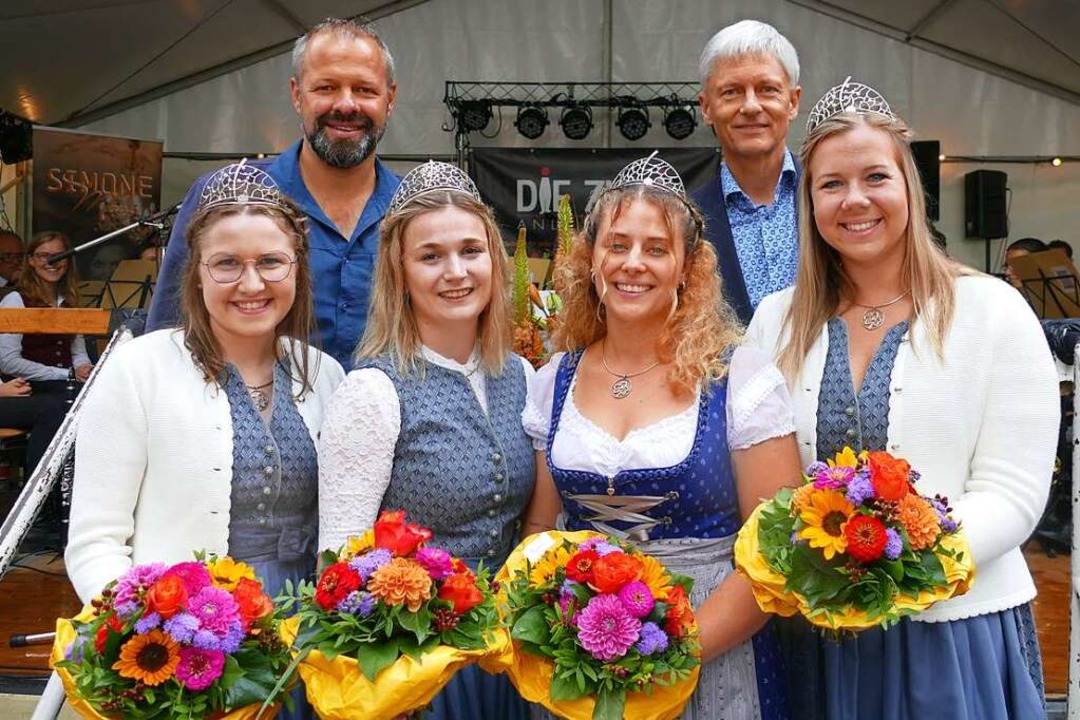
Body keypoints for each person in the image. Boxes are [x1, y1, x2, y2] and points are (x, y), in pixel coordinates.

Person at [746, 79, 1057, 719]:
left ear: (909, 186)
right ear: (808, 202)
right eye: (831, 184)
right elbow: (762, 487)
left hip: (952, 633)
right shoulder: (773, 324)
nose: (854, 199)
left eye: (874, 177)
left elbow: (1014, 491)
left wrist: (895, 569)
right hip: (813, 637)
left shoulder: (992, 310)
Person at [522, 154, 802, 720]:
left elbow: (778, 551)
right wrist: (551, 634)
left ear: (686, 268)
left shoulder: (738, 378)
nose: (633, 264)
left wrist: (668, 657)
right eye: (617, 245)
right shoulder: (554, 381)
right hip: (584, 659)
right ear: (591, 259)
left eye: (656, 248)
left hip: (711, 651)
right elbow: (538, 528)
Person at [67, 161, 344, 615]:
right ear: (196, 272)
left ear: (297, 269)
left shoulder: (326, 375)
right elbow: (95, 541)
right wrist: (148, 628)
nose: (251, 284)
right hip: (190, 643)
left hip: (310, 636)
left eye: (271, 262)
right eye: (227, 264)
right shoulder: (139, 370)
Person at [319, 161, 533, 719]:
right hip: (416, 664)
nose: (455, 271)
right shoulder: (373, 390)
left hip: (508, 654)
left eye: (471, 250)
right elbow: (341, 562)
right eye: (431, 256)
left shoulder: (521, 376)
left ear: (495, 260)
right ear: (401, 272)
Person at [146, 17, 400, 369]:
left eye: (364, 90)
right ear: (297, 95)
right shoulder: (225, 194)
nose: (346, 104)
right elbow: (168, 333)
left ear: (390, 98)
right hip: (250, 418)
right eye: (326, 88)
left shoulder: (413, 209)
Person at [692, 20, 802, 325]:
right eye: (731, 92)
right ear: (706, 108)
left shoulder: (835, 200)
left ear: (793, 102)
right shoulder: (685, 220)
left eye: (767, 89)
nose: (751, 106)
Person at [0, 231, 93, 390]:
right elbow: (8, 362)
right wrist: (66, 374)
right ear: (31, 260)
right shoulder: (15, 300)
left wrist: (85, 368)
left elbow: (78, 354)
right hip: (28, 391)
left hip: (65, 387)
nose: (52, 261)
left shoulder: (69, 302)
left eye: (60, 255)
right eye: (44, 255)